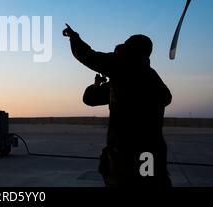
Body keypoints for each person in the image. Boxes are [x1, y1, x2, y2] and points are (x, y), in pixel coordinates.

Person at [63, 24, 172, 187]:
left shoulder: (124, 65)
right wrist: (103, 85)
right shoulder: (150, 76)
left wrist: (74, 37)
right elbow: (166, 97)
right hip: (150, 151)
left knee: (123, 182)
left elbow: (88, 56)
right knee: (149, 182)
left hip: (127, 153)